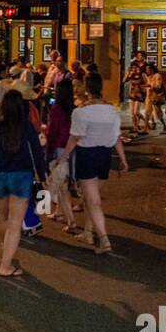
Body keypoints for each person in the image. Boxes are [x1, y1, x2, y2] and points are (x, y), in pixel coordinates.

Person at [57, 72, 128, 255]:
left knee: (93, 201)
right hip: (104, 156)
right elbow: (116, 137)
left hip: (87, 156)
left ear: (86, 89)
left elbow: (75, 138)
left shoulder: (81, 112)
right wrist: (123, 159)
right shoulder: (111, 110)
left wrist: (63, 157)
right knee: (90, 198)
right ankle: (88, 232)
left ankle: (104, 239)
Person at [0, 90, 46, 278]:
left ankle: (5, 250)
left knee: (3, 218)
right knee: (16, 223)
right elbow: (37, 154)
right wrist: (43, 174)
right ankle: (6, 265)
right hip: (21, 177)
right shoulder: (26, 127)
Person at [43, 76, 79, 234]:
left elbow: (52, 131)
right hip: (73, 149)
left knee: (62, 186)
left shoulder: (56, 109)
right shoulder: (74, 109)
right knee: (63, 182)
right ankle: (58, 212)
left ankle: (71, 221)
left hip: (60, 148)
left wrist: (48, 149)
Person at [122, 50, 148, 133]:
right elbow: (124, 80)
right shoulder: (132, 72)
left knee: (136, 112)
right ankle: (135, 127)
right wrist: (128, 74)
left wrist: (144, 88)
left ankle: (147, 122)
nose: (134, 68)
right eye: (137, 56)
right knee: (132, 113)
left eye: (140, 55)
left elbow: (147, 82)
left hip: (140, 92)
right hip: (132, 92)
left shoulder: (144, 70)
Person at [144, 63, 166, 132]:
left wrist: (150, 86)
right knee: (147, 113)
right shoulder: (149, 77)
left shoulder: (157, 76)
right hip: (149, 97)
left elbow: (158, 86)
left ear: (152, 69)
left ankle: (165, 127)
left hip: (155, 97)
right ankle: (145, 128)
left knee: (158, 113)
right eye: (146, 69)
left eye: (148, 69)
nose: (147, 71)